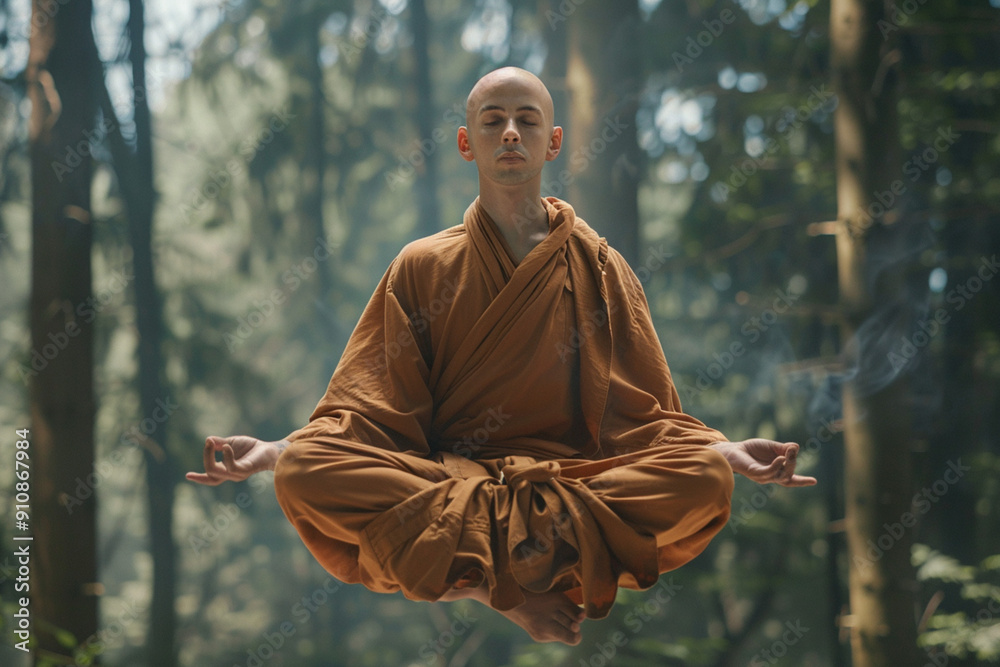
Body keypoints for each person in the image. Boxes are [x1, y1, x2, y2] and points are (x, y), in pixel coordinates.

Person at [187, 67, 816, 646]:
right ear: (467, 144)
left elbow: (644, 418)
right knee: (304, 474)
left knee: (705, 480)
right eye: (492, 121)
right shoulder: (422, 265)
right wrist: (273, 453)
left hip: (568, 486)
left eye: (527, 120)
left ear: (554, 142)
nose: (510, 132)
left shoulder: (599, 267)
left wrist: (726, 452)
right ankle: (503, 584)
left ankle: (487, 569)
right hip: (449, 484)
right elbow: (373, 413)